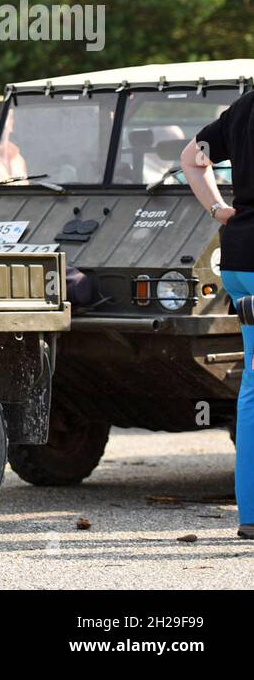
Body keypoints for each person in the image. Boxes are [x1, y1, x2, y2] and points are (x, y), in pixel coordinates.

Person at [182, 98, 246, 537]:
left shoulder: (242, 110)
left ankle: (252, 516)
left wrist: (217, 210)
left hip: (241, 258)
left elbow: (191, 159)